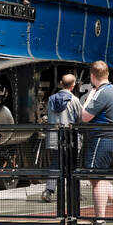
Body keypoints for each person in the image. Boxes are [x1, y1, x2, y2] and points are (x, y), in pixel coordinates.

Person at [78, 60, 113, 220]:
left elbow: (85, 117)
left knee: (96, 179)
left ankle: (99, 219)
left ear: (92, 76)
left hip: (102, 139)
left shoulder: (101, 93)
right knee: (101, 176)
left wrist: (89, 97)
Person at [42, 74, 80, 202]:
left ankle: (49, 191)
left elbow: (48, 115)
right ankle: (73, 194)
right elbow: (80, 118)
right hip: (69, 138)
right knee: (71, 165)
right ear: (73, 85)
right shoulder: (74, 100)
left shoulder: (51, 99)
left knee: (55, 164)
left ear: (60, 83)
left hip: (54, 137)